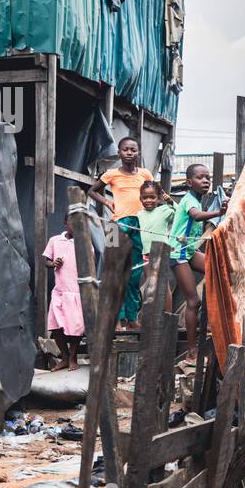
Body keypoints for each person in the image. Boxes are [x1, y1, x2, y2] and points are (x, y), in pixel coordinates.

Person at [89, 136, 153, 329]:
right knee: (113, 273)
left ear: (138, 152)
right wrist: (107, 202)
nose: (129, 153)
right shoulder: (111, 174)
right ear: (119, 152)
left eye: (133, 150)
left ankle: (131, 318)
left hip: (140, 224)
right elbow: (92, 191)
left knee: (134, 275)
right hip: (115, 225)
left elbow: (156, 193)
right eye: (125, 149)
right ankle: (115, 319)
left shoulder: (145, 174)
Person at [169, 164, 226, 358]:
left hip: (190, 252)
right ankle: (191, 350)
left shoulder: (199, 199)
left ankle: (214, 326)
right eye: (200, 178)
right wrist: (218, 213)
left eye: (207, 178)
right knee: (193, 301)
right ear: (188, 182)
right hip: (179, 254)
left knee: (219, 271)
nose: (205, 181)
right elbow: (196, 216)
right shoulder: (189, 200)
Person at [43, 217, 84, 370]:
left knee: (76, 327)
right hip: (59, 290)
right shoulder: (55, 240)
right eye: (71, 222)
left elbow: (91, 260)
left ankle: (73, 358)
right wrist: (53, 264)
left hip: (76, 291)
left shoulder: (83, 241)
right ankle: (65, 357)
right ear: (65, 223)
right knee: (55, 326)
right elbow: (46, 261)